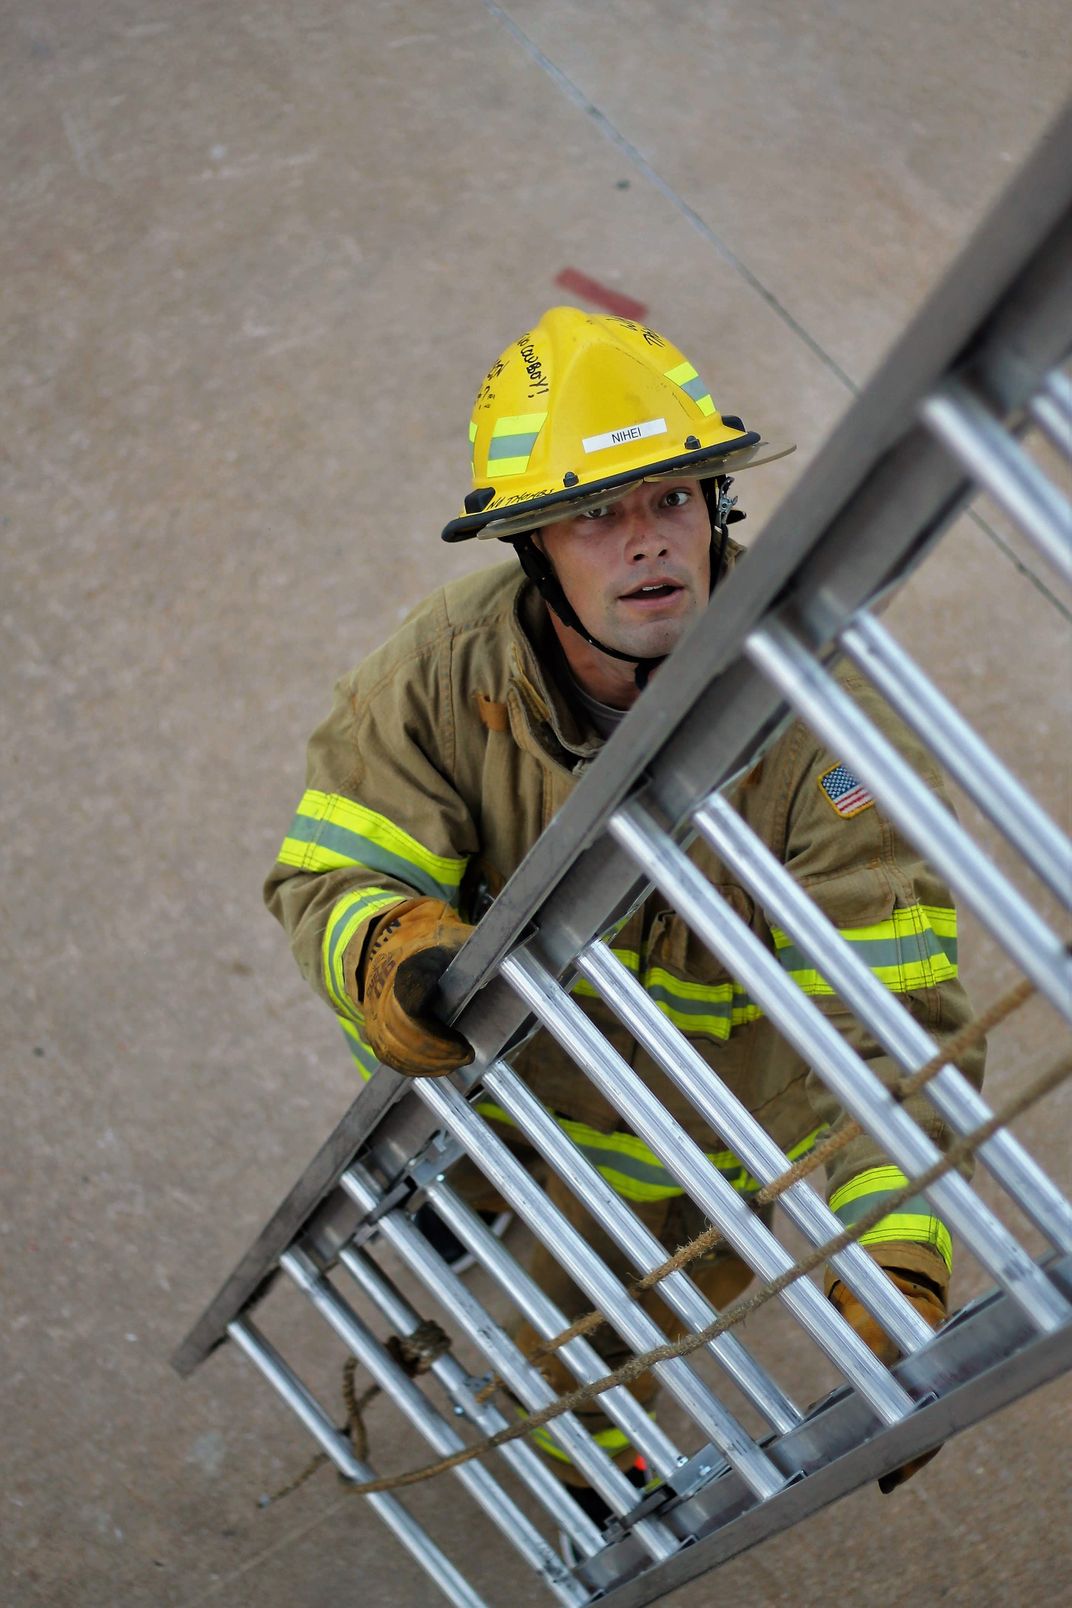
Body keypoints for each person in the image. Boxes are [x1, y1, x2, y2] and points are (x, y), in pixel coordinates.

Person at [265, 306, 980, 1496]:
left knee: (591, 1339)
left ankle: (590, 1476)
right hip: (478, 1095)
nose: (649, 542)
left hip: (675, 1163)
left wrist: (894, 1283)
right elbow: (333, 865)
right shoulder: (442, 673)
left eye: (672, 499)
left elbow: (890, 1028)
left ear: (717, 508)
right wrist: (390, 954)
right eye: (597, 513)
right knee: (461, 1210)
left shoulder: (826, 726)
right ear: (533, 545)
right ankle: (459, 1212)